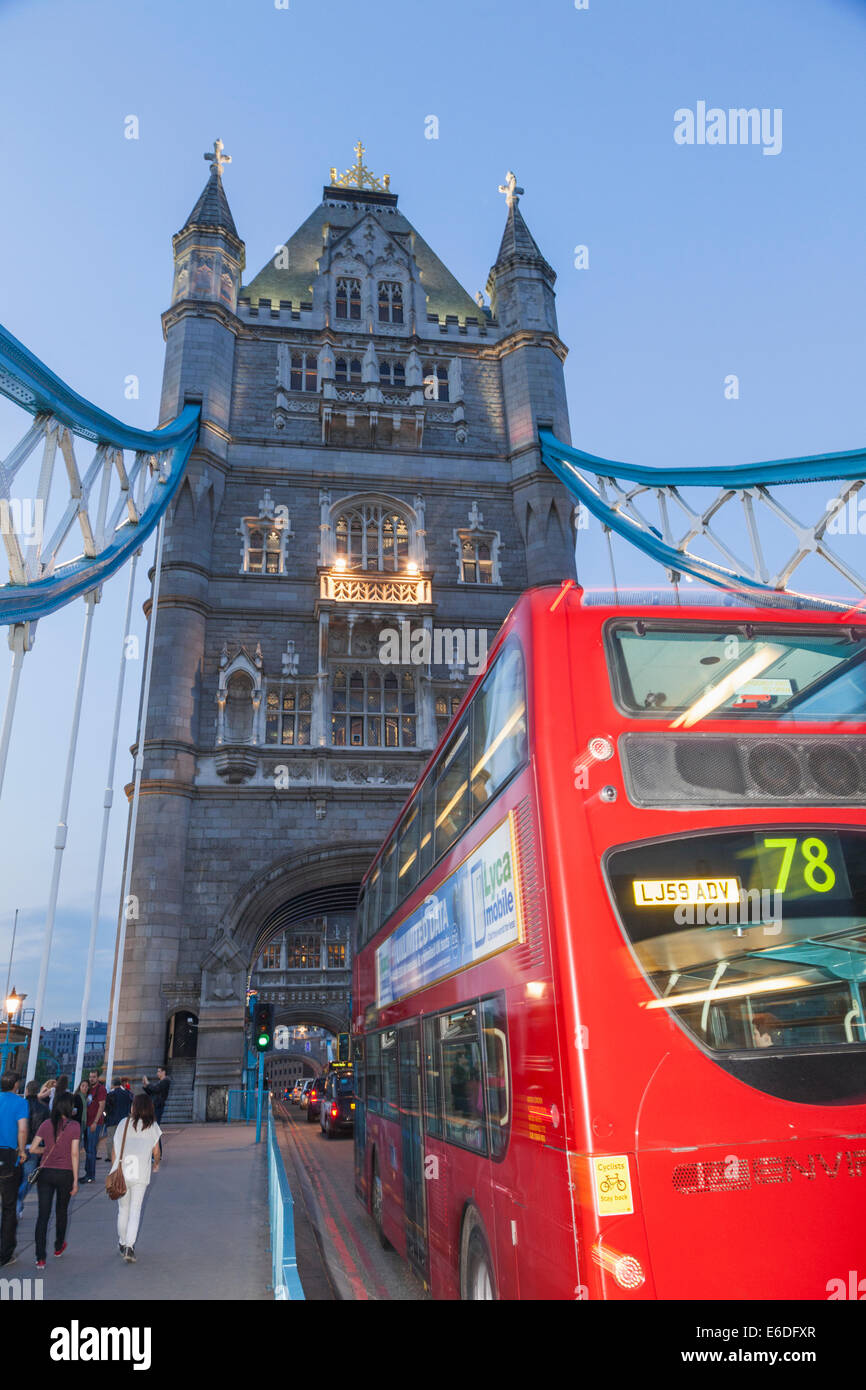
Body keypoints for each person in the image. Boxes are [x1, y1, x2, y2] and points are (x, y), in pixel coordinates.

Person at [29, 1091, 80, 1269]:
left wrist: (45, 1151)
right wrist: (75, 1180)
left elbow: (33, 1148)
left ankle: (40, 1257)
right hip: (65, 1173)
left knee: (43, 1215)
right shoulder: (74, 1126)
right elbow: (74, 1153)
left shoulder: (46, 1124)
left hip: (46, 1173)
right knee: (61, 1211)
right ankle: (58, 1247)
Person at [110, 1093, 161, 1263]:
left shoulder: (123, 1124)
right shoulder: (151, 1126)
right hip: (140, 1172)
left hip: (123, 1172)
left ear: (134, 1107)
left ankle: (122, 1242)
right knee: (135, 1210)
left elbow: (115, 1151)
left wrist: (113, 1168)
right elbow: (156, 1152)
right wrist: (156, 1164)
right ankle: (130, 1247)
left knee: (123, 1210)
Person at [0, 1072, 28, 1268]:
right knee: (9, 1207)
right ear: (16, 1085)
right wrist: (22, 1150)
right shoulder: (20, 1103)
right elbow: (23, 1129)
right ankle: (5, 1253)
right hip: (9, 1157)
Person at [17, 1080, 50, 1219]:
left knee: (15, 1178)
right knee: (28, 1179)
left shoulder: (19, 1105)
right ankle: (17, 1203)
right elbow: (48, 1130)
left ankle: (16, 1203)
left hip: (17, 1146)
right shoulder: (44, 1109)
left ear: (26, 1091)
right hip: (34, 1148)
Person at [83, 1070, 107, 1183]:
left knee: (91, 1149)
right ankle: (87, 1173)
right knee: (88, 1149)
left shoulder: (101, 1089)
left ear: (97, 1078)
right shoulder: (88, 1089)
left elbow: (101, 1106)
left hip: (94, 1123)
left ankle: (90, 1175)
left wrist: (95, 1122)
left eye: (94, 1077)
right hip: (87, 1123)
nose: (91, 1078)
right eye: (90, 1076)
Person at [101, 1078, 132, 1161]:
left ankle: (111, 1156)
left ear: (113, 1084)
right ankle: (122, 1155)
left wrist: (105, 1116)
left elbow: (106, 1107)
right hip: (124, 1120)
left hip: (111, 1120)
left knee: (111, 1138)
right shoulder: (127, 1093)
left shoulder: (110, 1094)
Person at [142, 1068, 170, 1156]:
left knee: (154, 1129)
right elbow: (152, 1092)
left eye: (159, 1071)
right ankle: (157, 1152)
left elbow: (156, 1089)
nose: (157, 1073)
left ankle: (157, 1153)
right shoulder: (160, 1082)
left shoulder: (166, 1081)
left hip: (158, 1107)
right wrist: (146, 1086)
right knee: (153, 1129)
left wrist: (148, 1083)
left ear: (163, 1072)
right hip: (155, 1106)